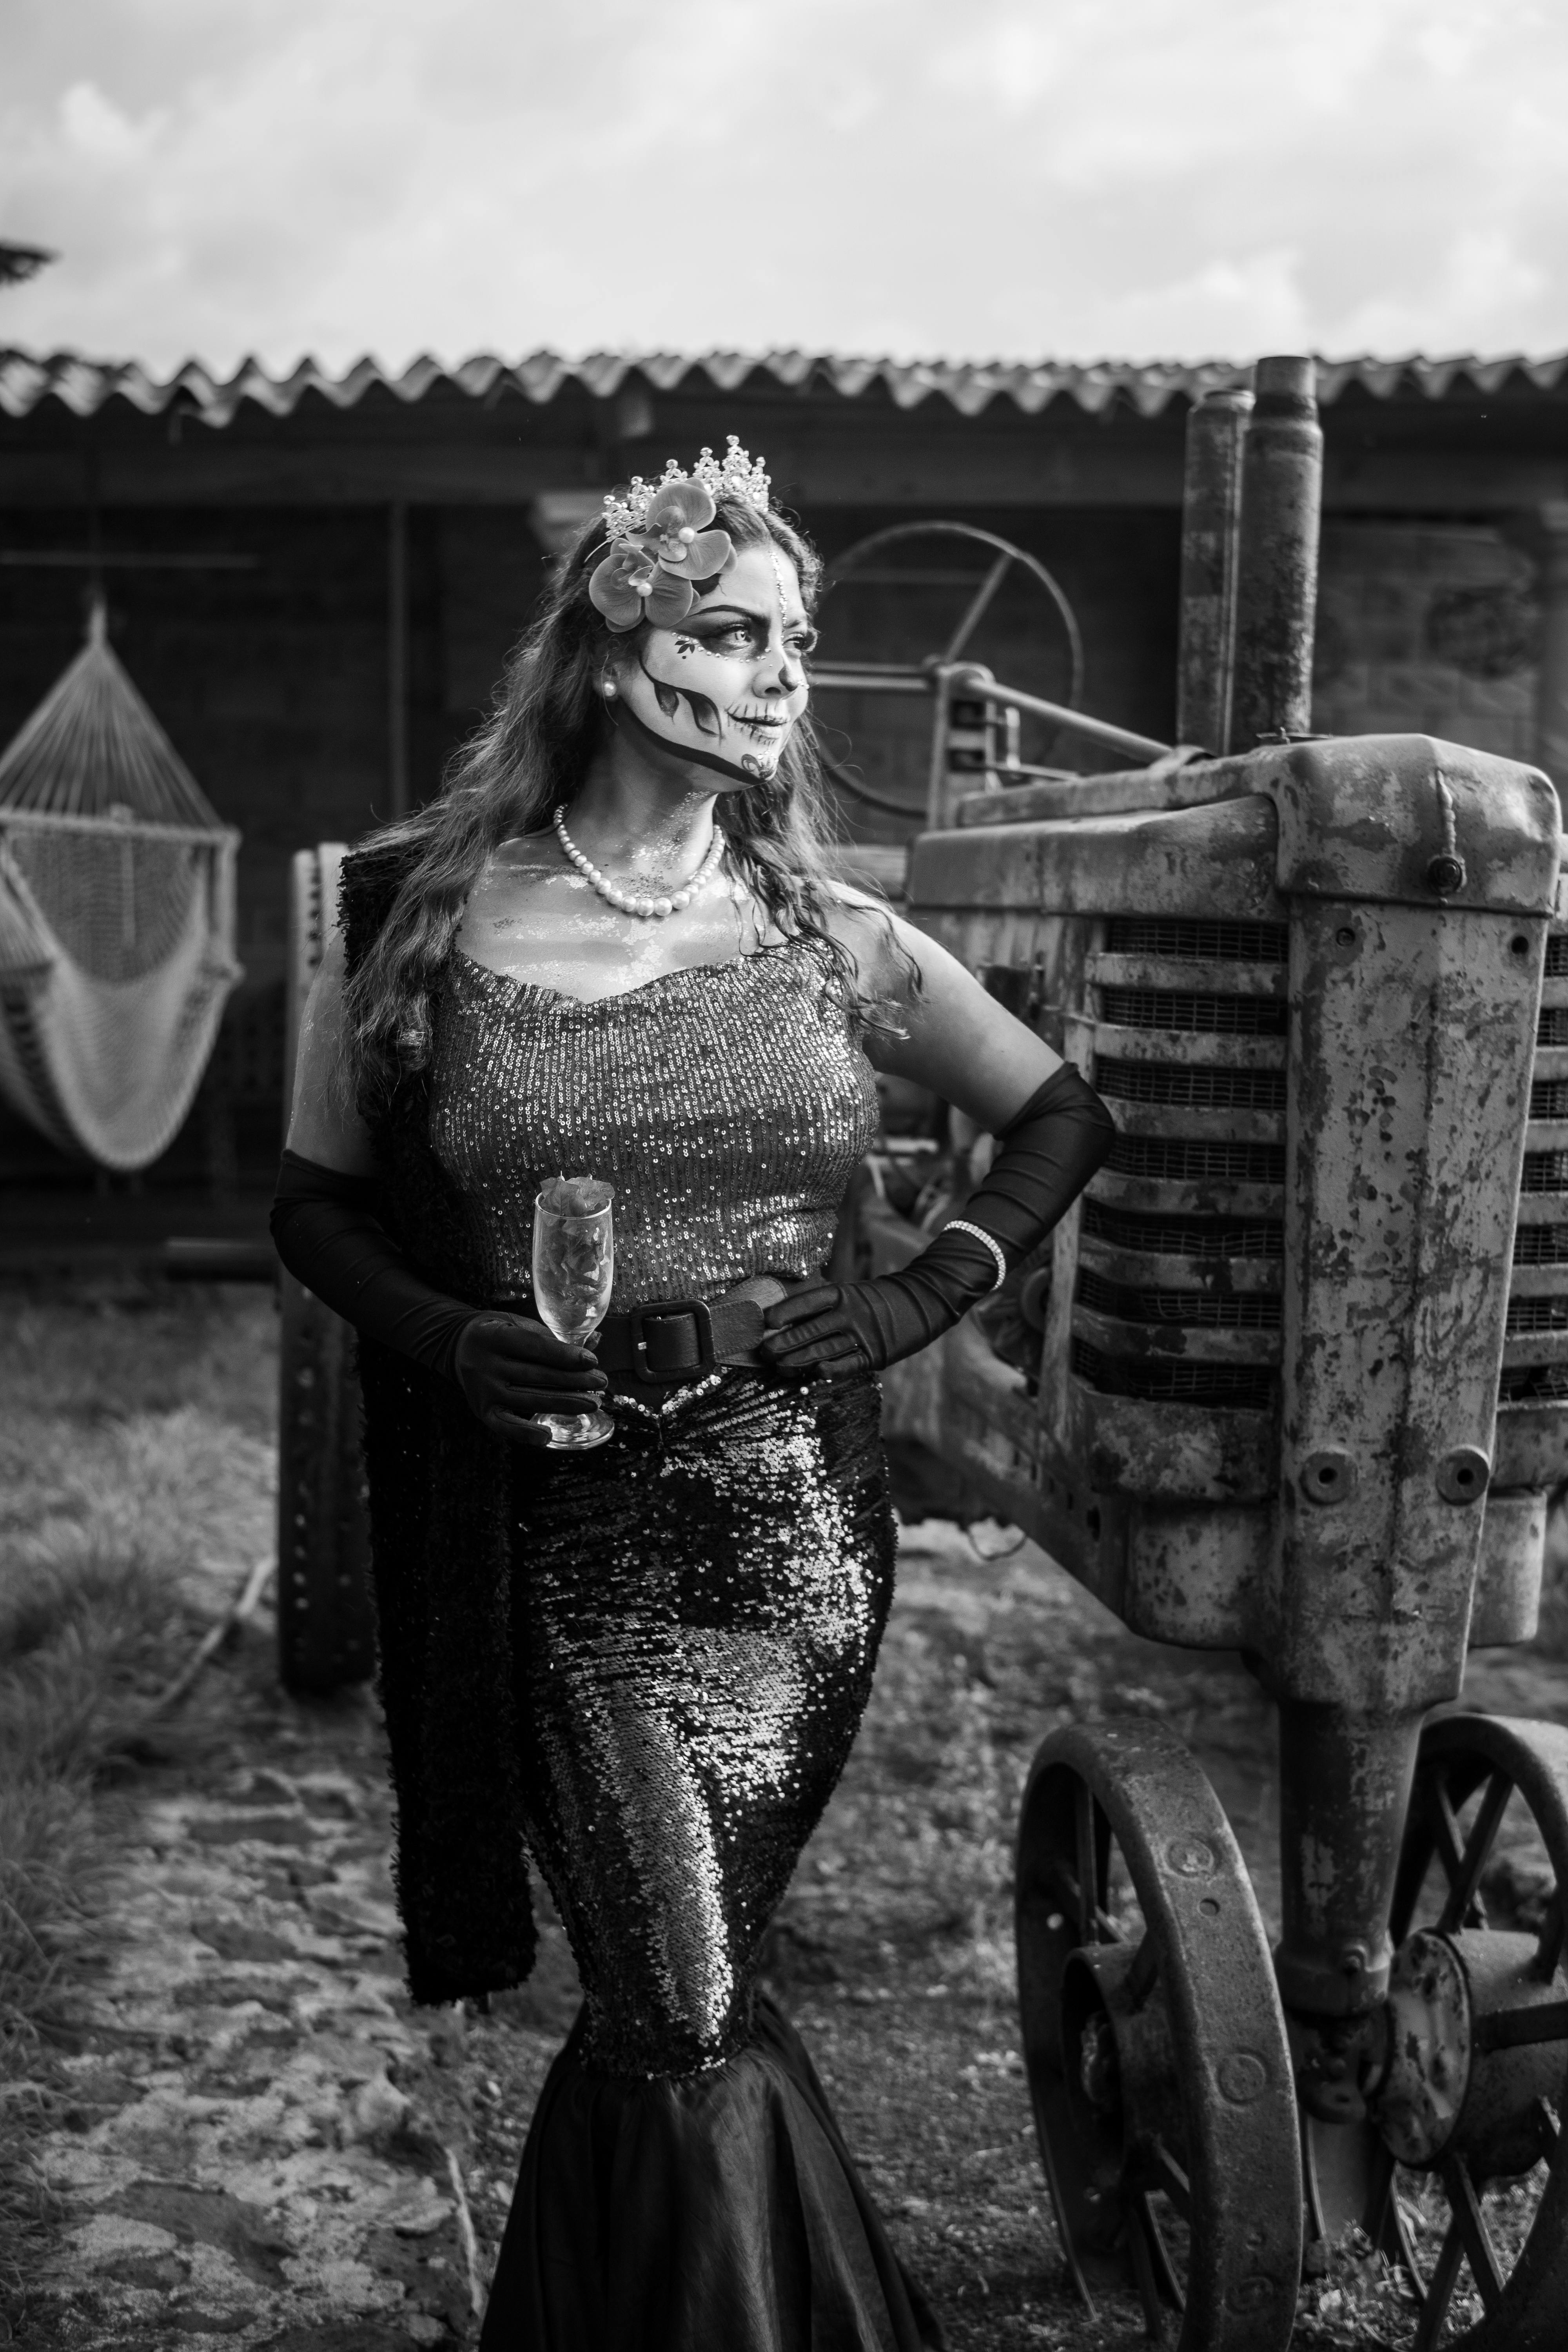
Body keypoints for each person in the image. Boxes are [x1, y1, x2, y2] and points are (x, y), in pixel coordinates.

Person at [270, 439, 1114, 2351]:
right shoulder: (415, 916)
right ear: (607, 648)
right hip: (558, 1532)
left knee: (688, 1989)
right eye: (732, 632)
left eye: (793, 639)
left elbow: (1059, 1112)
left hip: (797, 1541)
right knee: (674, 2000)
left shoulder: (827, 930)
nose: (776, 671)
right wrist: (445, 1335)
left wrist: (924, 1292)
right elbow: (314, 1206)